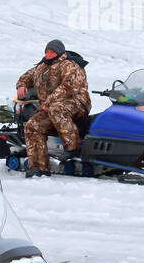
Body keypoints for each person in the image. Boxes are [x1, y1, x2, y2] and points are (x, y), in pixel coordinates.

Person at [15, 38, 91, 177]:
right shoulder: (41, 67)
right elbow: (26, 76)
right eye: (47, 51)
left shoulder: (69, 65)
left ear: (59, 52)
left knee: (56, 109)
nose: (49, 54)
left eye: (52, 52)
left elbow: (68, 87)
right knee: (32, 126)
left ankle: (73, 147)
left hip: (75, 103)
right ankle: (38, 167)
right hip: (49, 106)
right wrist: (21, 85)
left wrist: (49, 101)